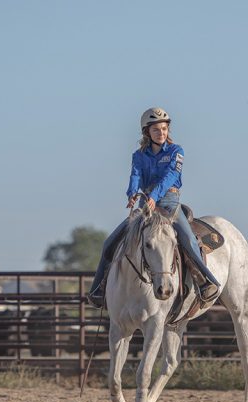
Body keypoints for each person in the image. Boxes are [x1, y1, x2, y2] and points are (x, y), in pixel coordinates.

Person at [87, 107, 221, 307]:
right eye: (156, 129)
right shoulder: (138, 155)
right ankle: (99, 289)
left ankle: (206, 282)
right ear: (147, 132)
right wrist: (132, 193)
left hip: (170, 205)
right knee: (110, 243)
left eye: (164, 129)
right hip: (145, 206)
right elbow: (135, 175)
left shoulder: (177, 152)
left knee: (188, 240)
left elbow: (170, 177)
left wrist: (154, 196)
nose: (161, 133)